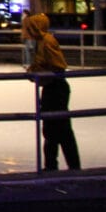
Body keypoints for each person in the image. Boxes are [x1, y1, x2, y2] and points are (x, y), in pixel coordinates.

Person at [25, 12, 80, 171]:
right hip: (52, 88)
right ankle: (53, 165)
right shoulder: (42, 41)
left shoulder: (48, 41)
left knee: (60, 130)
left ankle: (66, 165)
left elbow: (58, 65)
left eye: (31, 27)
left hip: (56, 89)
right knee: (53, 130)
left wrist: (38, 72)